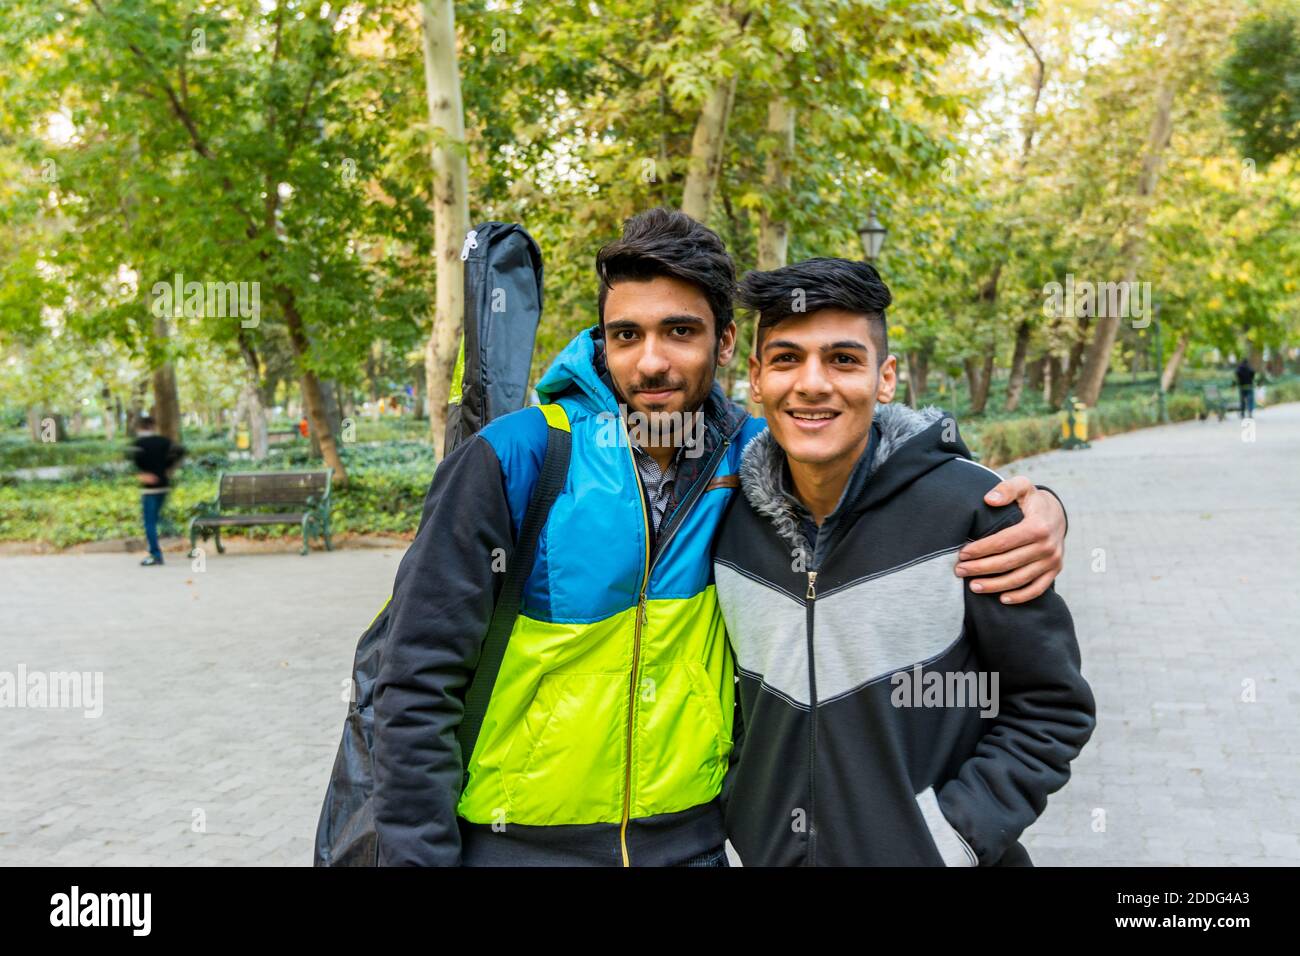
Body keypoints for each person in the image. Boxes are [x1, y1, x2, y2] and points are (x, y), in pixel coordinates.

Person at [371, 208, 1070, 867]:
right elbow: (415, 683)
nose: (651, 362)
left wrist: (1035, 506)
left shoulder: (753, 459)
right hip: (515, 847)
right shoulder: (517, 458)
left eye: (680, 331)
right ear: (601, 342)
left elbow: (878, 447)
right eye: (626, 335)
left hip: (690, 848)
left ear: (727, 344)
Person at [713, 258, 1095, 865]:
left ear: (885, 377)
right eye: (787, 359)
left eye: (843, 359)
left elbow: (1051, 705)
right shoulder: (721, 517)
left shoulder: (973, 513)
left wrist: (950, 840)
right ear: (756, 378)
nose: (812, 383)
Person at [128, 415, 185, 567]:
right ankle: (176, 533)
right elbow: (180, 451)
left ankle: (155, 554)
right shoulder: (164, 441)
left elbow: (134, 463)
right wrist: (168, 468)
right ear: (153, 427)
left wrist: (143, 474)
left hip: (149, 489)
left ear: (140, 428)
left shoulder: (138, 444)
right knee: (157, 517)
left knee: (150, 522)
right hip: (164, 484)